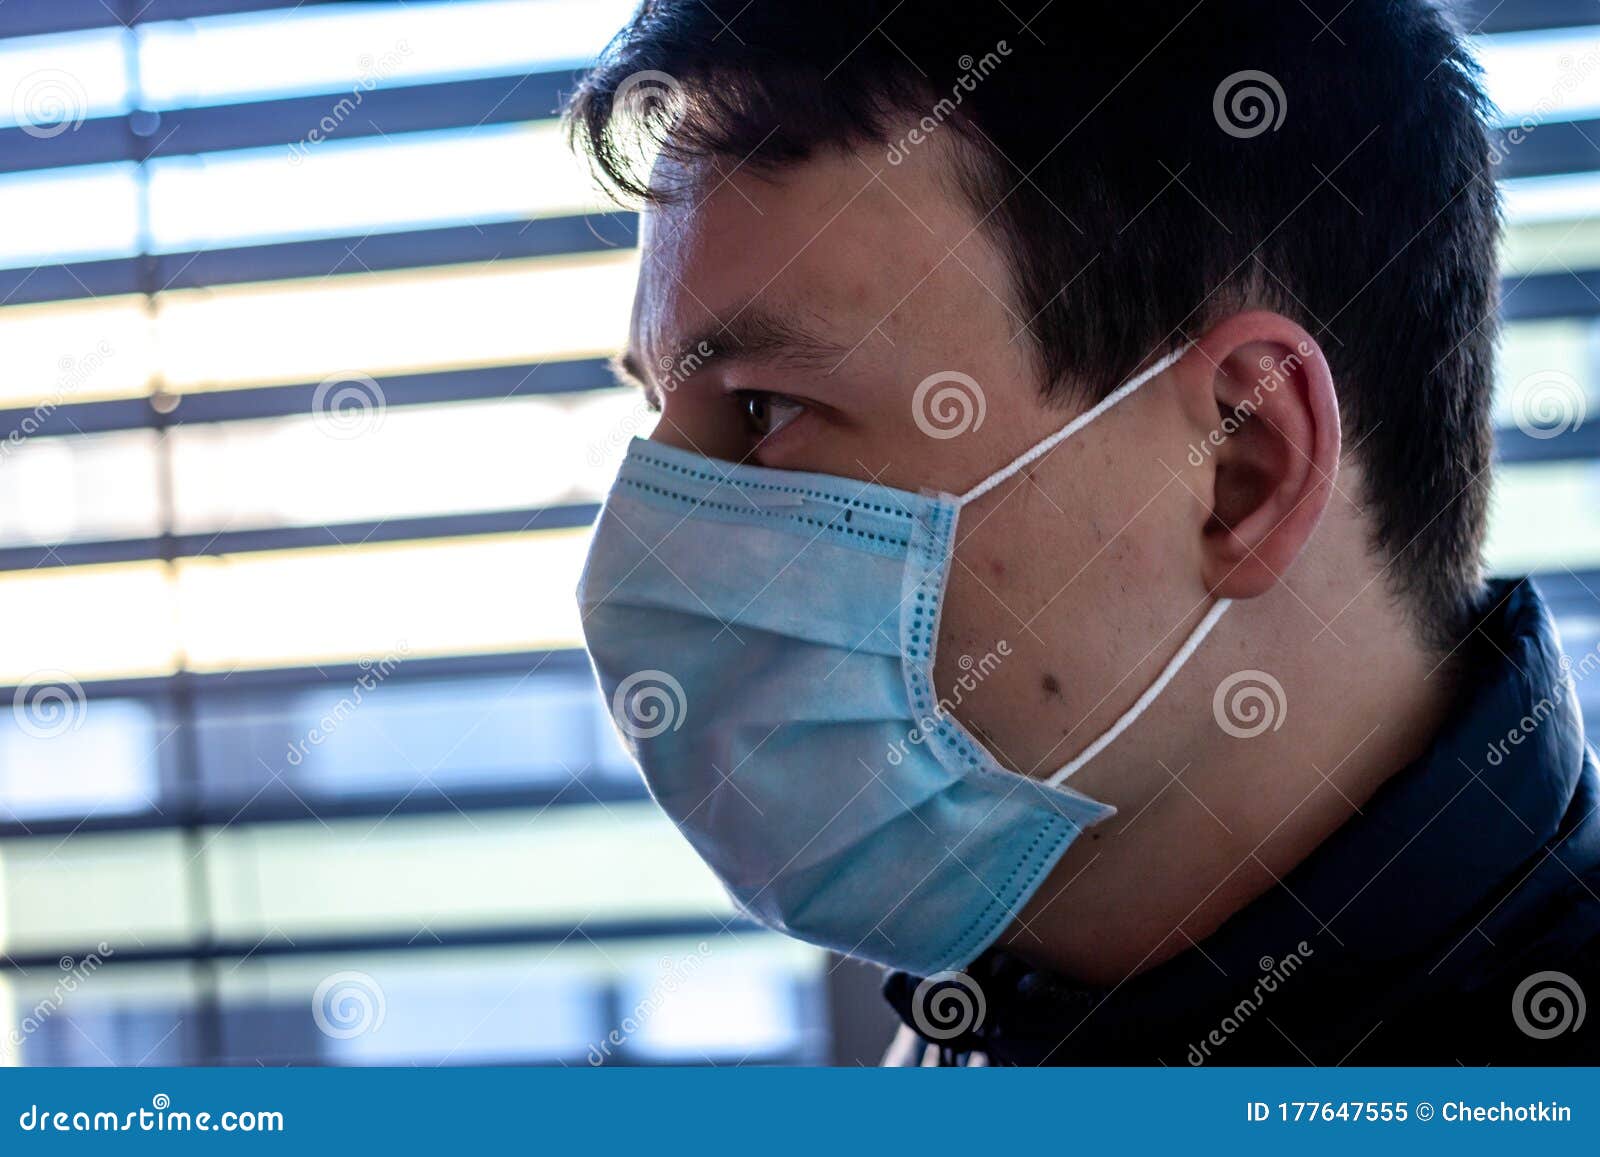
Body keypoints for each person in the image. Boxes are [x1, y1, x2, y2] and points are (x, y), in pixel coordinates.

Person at [566, 0, 1600, 1064]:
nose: (629, 556)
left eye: (761, 410)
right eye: (656, 414)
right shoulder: (992, 1005)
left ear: (1244, 470)